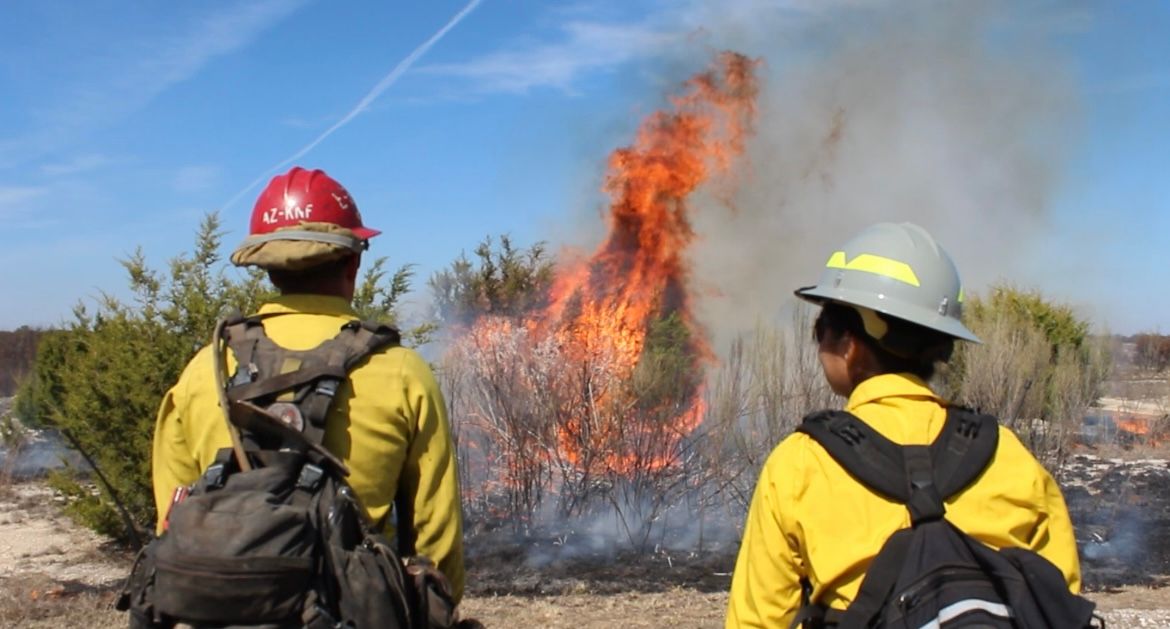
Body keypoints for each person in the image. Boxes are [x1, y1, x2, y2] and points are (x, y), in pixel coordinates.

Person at [724, 222, 1081, 628]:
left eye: (822, 329)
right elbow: (1059, 600)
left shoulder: (799, 465)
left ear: (851, 343)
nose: (819, 343)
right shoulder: (1009, 454)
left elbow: (758, 619)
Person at [150, 166, 466, 603]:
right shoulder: (402, 372)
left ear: (266, 267)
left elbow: (172, 518)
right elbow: (436, 535)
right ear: (353, 261)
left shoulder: (205, 370)